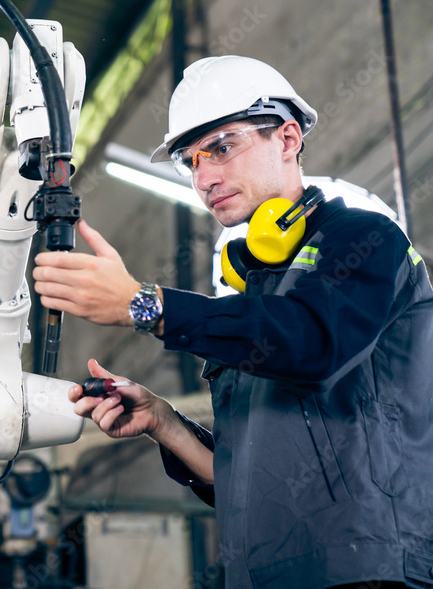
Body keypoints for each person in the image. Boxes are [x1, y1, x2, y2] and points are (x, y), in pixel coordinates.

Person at [32, 55, 433, 589]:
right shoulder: (248, 297)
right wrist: (163, 422)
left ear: (288, 139)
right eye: (191, 161)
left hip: (371, 575)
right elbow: (242, 480)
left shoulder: (365, 239)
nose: (205, 177)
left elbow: (314, 342)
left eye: (222, 147)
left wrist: (143, 304)